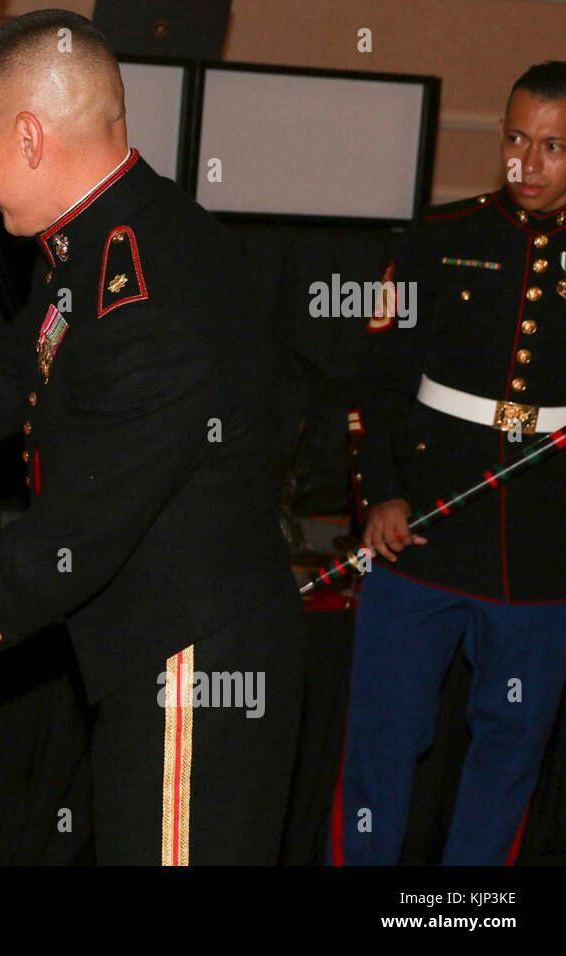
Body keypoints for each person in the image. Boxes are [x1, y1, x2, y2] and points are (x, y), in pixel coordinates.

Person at [0, 10, 305, 865]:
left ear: (29, 136)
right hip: (145, 638)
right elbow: (12, 374)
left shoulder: (145, 296)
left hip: (190, 663)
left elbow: (76, 537)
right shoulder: (109, 229)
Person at [334, 61, 566, 866]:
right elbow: (380, 382)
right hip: (427, 523)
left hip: (543, 543)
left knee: (512, 745)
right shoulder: (440, 238)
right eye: (513, 139)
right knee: (382, 735)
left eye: (552, 147)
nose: (524, 165)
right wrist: (384, 493)